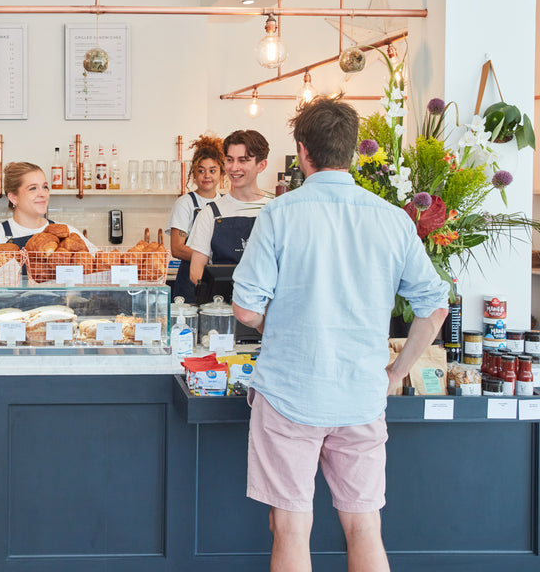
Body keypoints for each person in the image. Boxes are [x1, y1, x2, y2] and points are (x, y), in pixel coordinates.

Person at [231, 97, 448, 572]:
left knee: (290, 527)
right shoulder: (393, 219)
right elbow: (434, 309)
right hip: (361, 395)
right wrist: (396, 372)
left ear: (302, 152)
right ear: (352, 151)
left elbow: (246, 310)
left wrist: (282, 325)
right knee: (364, 526)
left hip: (289, 391)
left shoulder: (280, 213)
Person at [186, 129, 270, 293]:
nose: (234, 167)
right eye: (230, 160)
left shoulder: (273, 210)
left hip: (265, 312)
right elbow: (195, 273)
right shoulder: (210, 214)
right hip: (221, 311)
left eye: (243, 160)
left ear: (262, 165)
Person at [0, 161, 96, 251]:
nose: (43, 194)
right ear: (13, 198)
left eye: (45, 187)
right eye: (32, 188)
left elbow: (105, 267)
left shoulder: (66, 233)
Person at [166, 135, 224, 304]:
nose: (207, 176)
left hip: (218, 280)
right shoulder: (185, 203)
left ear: (222, 173)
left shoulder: (225, 204)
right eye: (201, 170)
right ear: (194, 174)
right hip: (189, 282)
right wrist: (213, 257)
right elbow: (177, 248)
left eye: (212, 171)